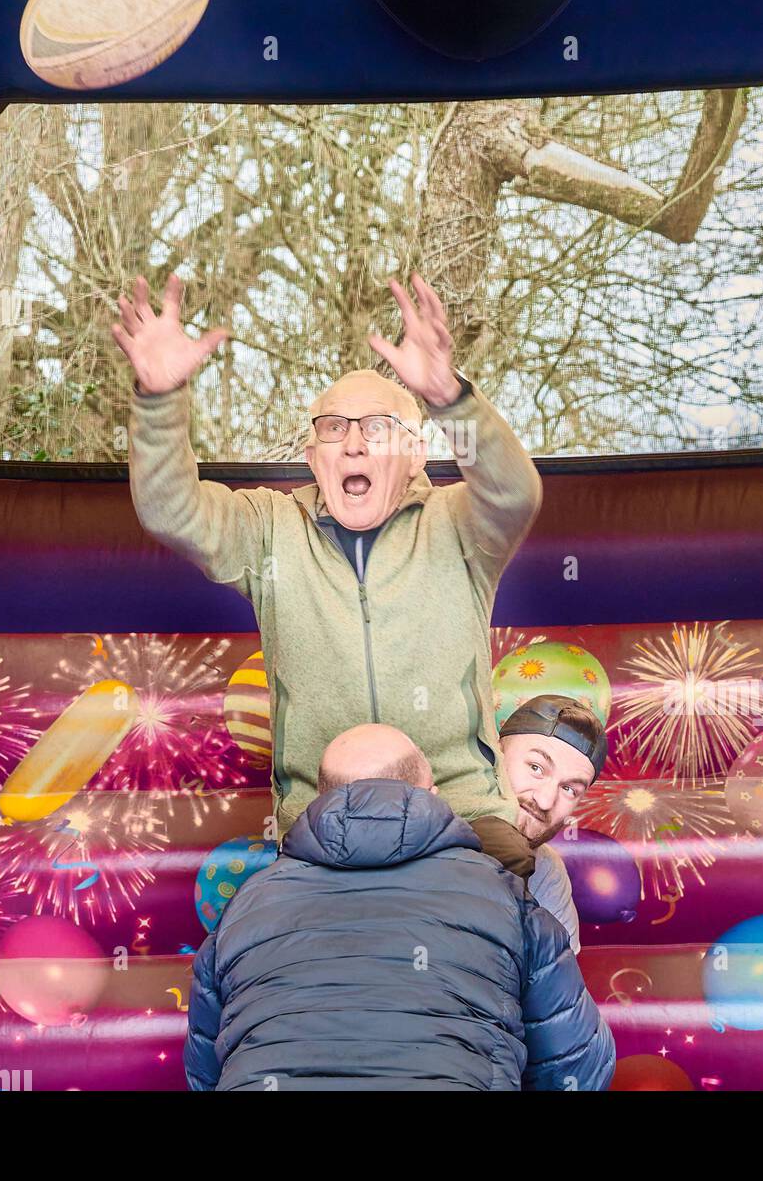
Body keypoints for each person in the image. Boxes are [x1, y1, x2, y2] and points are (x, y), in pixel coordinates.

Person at [114, 270, 543, 877]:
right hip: (325, 825)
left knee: (493, 959)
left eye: (376, 429)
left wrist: (450, 398)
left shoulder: (460, 524)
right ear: (313, 457)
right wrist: (159, 401)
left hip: (463, 815)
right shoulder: (267, 527)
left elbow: (513, 492)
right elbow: (169, 508)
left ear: (416, 452)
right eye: (333, 429)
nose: (353, 446)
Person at [183, 724, 615, 1091]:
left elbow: (204, 1072)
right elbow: (577, 1068)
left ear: (322, 797)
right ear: (431, 793)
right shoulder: (504, 895)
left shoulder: (247, 906)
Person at [500, 694, 609, 954]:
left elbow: (558, 986)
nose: (546, 800)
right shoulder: (430, 833)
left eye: (569, 789)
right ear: (496, 753)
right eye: (536, 767)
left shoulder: (547, 871)